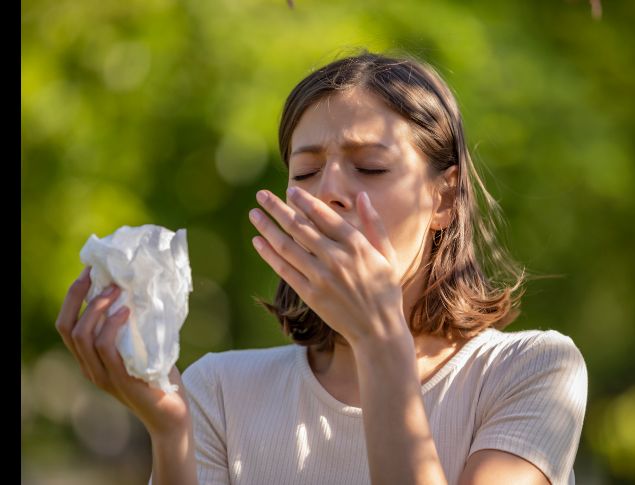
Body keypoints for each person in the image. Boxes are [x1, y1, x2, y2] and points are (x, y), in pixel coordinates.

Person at [55, 49, 588, 485]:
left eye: (370, 167)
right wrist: (172, 436)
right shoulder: (219, 389)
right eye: (306, 172)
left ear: (444, 199)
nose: (329, 192)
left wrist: (381, 338)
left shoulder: (531, 371)